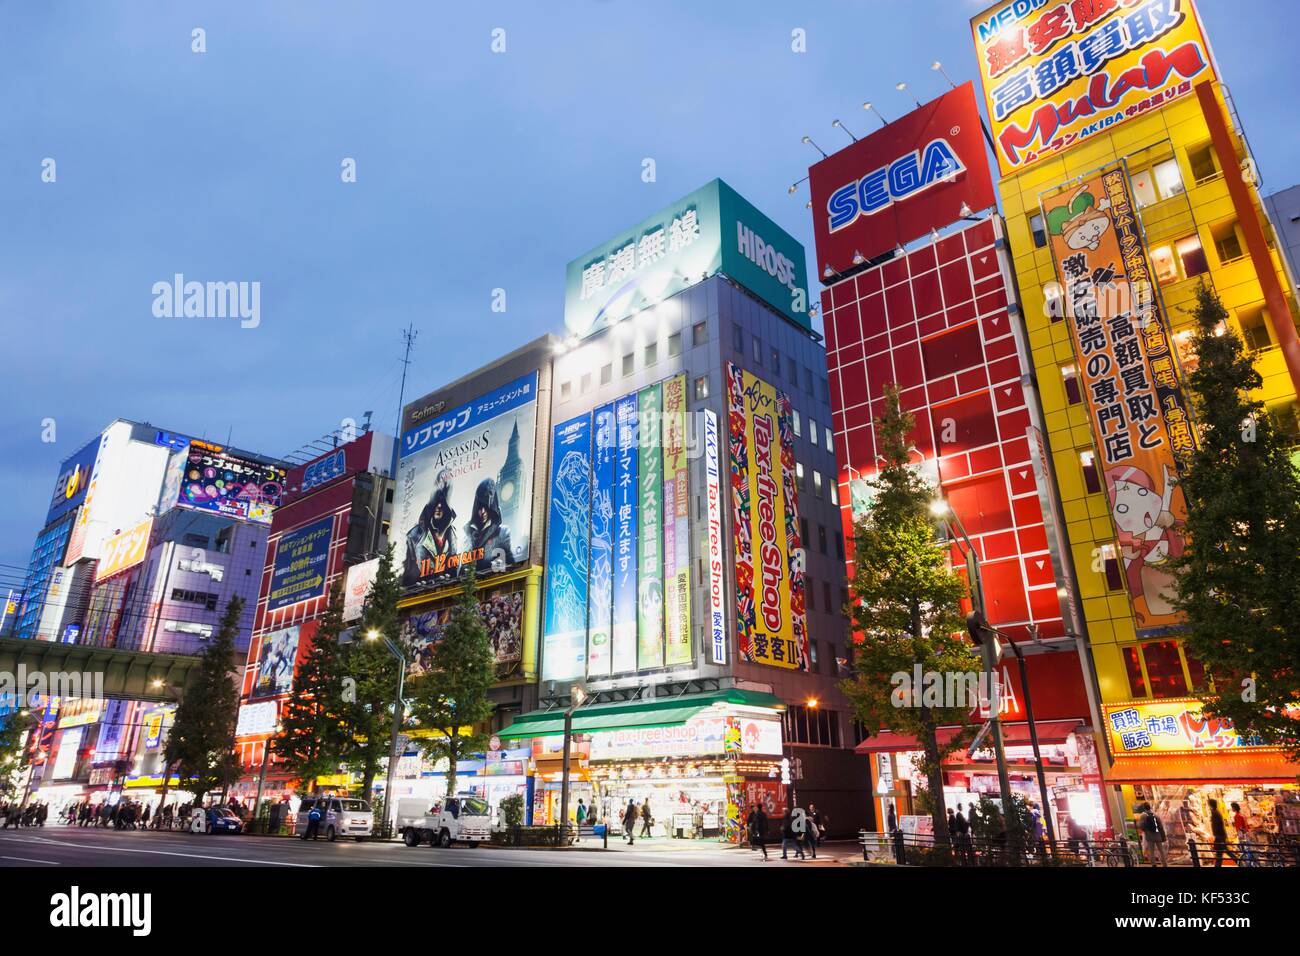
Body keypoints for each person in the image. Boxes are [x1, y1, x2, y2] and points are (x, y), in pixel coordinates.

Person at [1208, 798, 1235, 868]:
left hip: (1219, 836)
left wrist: (1216, 836)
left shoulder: (1215, 813)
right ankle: (1238, 861)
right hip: (1220, 836)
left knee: (1221, 852)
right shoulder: (1216, 812)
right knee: (1223, 851)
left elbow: (1217, 826)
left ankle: (1238, 861)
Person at [1230, 801, 1257, 867]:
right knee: (1248, 848)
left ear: (1234, 808)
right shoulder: (1242, 815)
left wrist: (1240, 836)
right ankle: (1251, 861)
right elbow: (1245, 825)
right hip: (1246, 833)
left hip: (1242, 834)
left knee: (1245, 849)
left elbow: (1240, 828)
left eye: (1232, 807)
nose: (1231, 809)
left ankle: (1248, 862)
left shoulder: (1237, 816)